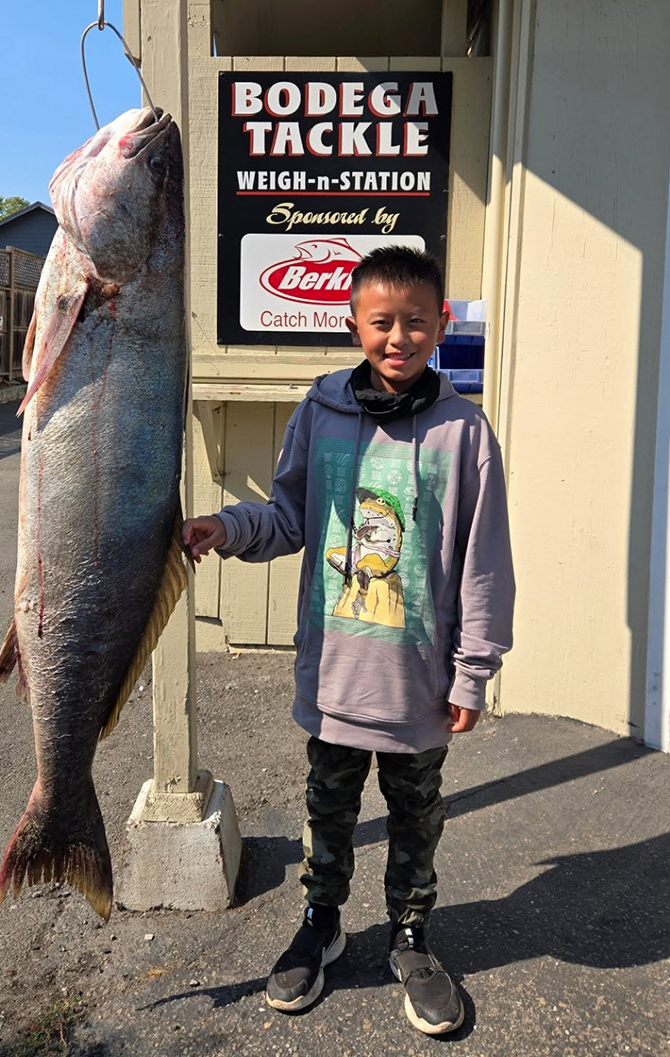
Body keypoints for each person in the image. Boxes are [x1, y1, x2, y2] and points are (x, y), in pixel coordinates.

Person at [183, 245, 515, 1036]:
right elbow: (289, 517)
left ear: (441, 325)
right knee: (326, 812)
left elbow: (484, 563)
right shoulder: (321, 411)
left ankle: (410, 938)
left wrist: (473, 674)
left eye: (416, 322)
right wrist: (224, 526)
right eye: (381, 323)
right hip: (335, 678)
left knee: (415, 819)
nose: (398, 338)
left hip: (419, 687)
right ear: (353, 324)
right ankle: (321, 923)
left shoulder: (465, 434)